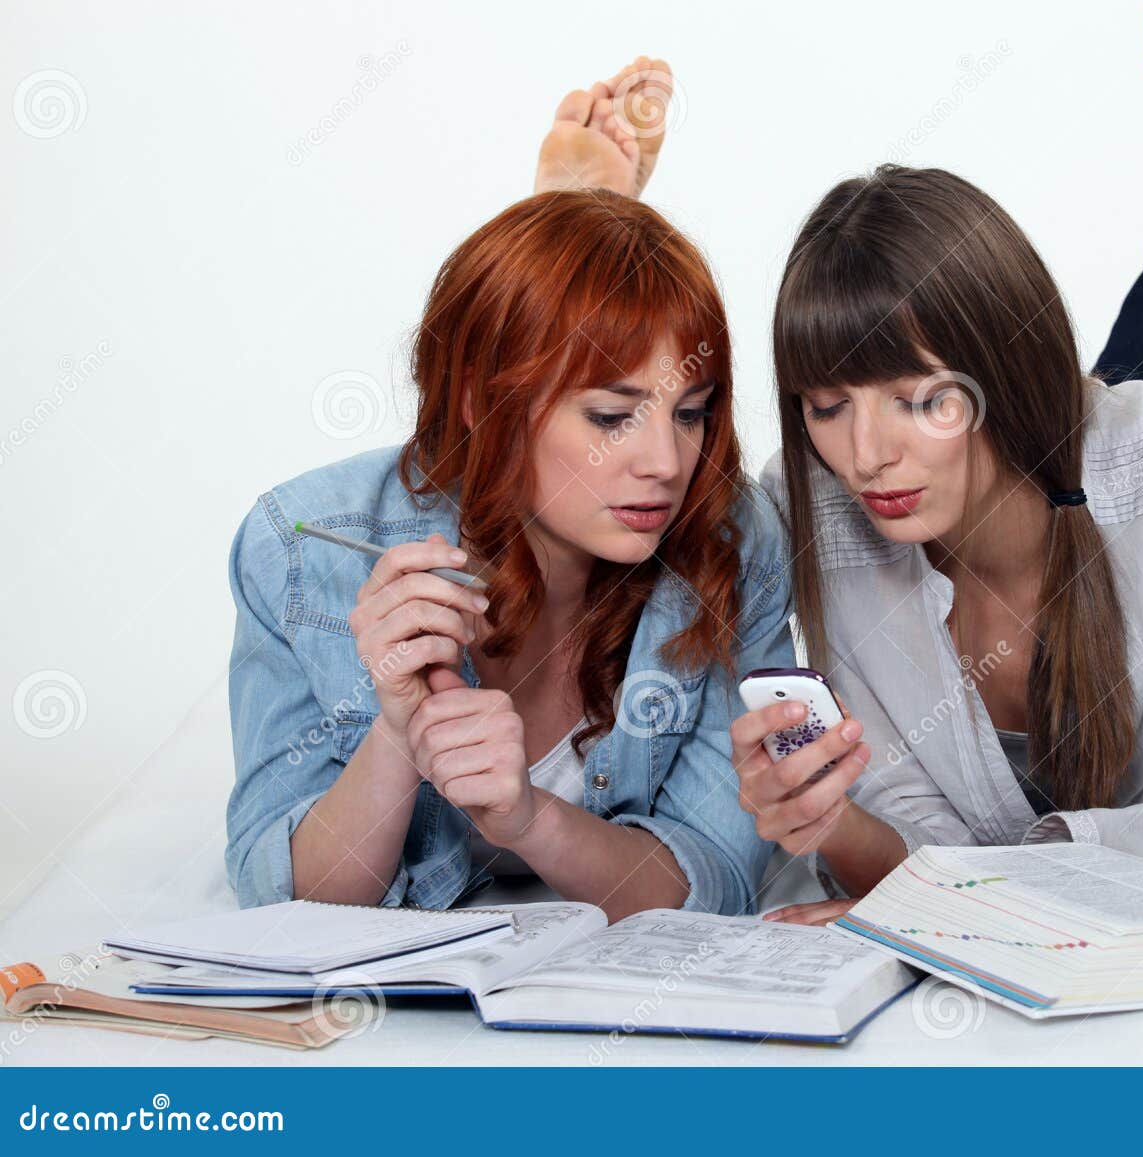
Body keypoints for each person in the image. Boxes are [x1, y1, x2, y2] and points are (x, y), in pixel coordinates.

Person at [735, 0, 1143, 924]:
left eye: (918, 399)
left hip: (1132, 457)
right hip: (1072, 444)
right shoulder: (816, 507)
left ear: (991, 375)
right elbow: (920, 845)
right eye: (825, 406)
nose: (864, 455)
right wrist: (829, 823)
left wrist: (1002, 891)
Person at [224, 112, 794, 916]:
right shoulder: (302, 544)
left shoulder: (732, 537)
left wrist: (531, 819)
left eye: (691, 412)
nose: (667, 464)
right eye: (610, 417)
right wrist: (396, 736)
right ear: (479, 403)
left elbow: (716, 878)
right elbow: (282, 895)